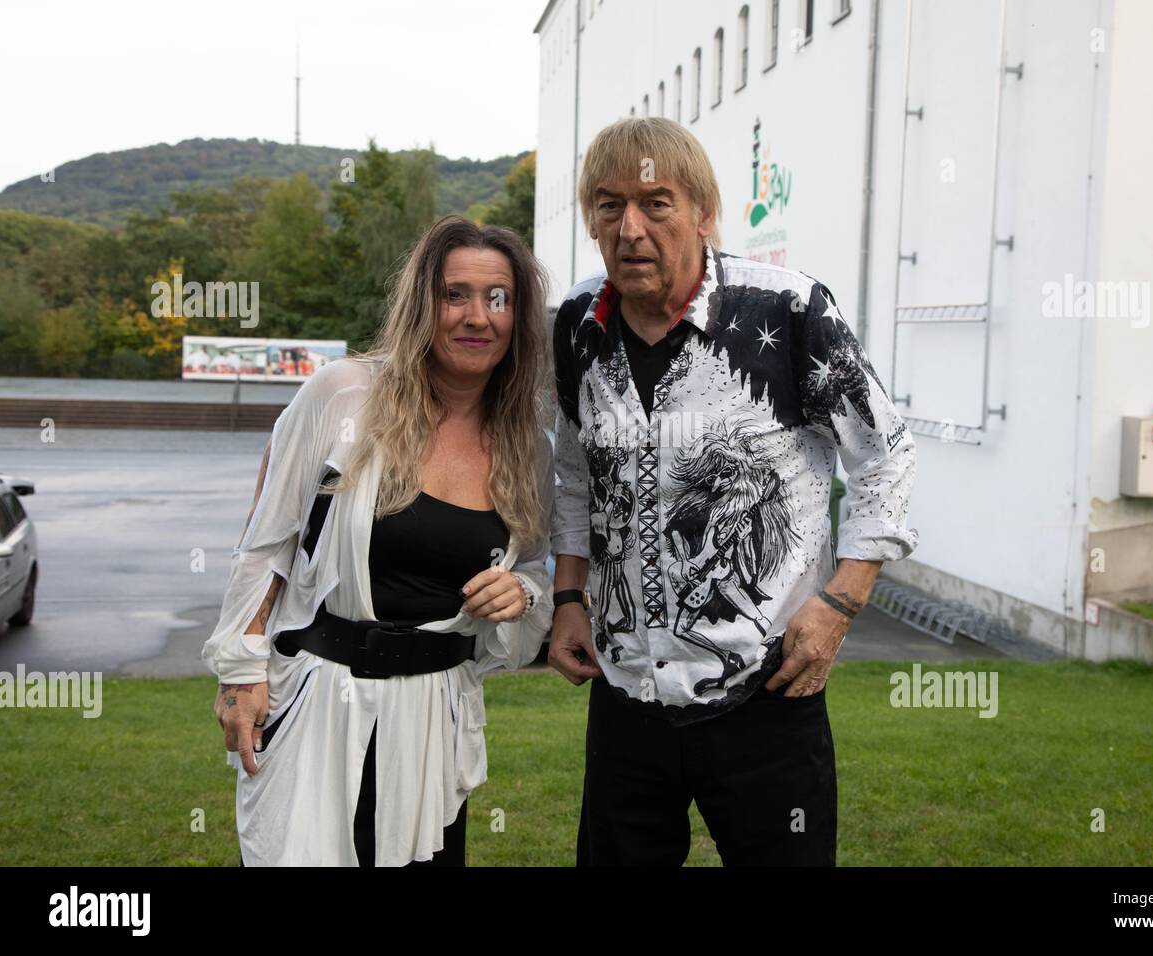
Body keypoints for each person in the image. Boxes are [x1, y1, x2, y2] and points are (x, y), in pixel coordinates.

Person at [548, 118, 918, 866]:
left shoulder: (788, 311)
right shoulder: (576, 326)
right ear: (590, 219)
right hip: (628, 698)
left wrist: (840, 603)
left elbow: (886, 458)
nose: (631, 228)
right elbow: (574, 475)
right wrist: (566, 600)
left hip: (768, 692)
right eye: (609, 205)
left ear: (704, 215)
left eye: (658, 202)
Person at [204, 215, 554, 866]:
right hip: (319, 705)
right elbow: (267, 542)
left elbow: (531, 566)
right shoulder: (344, 395)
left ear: (519, 315)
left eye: (498, 298)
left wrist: (522, 591)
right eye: (456, 294)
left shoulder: (524, 443)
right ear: (424, 302)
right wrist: (241, 674)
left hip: (430, 726)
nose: (477, 316)